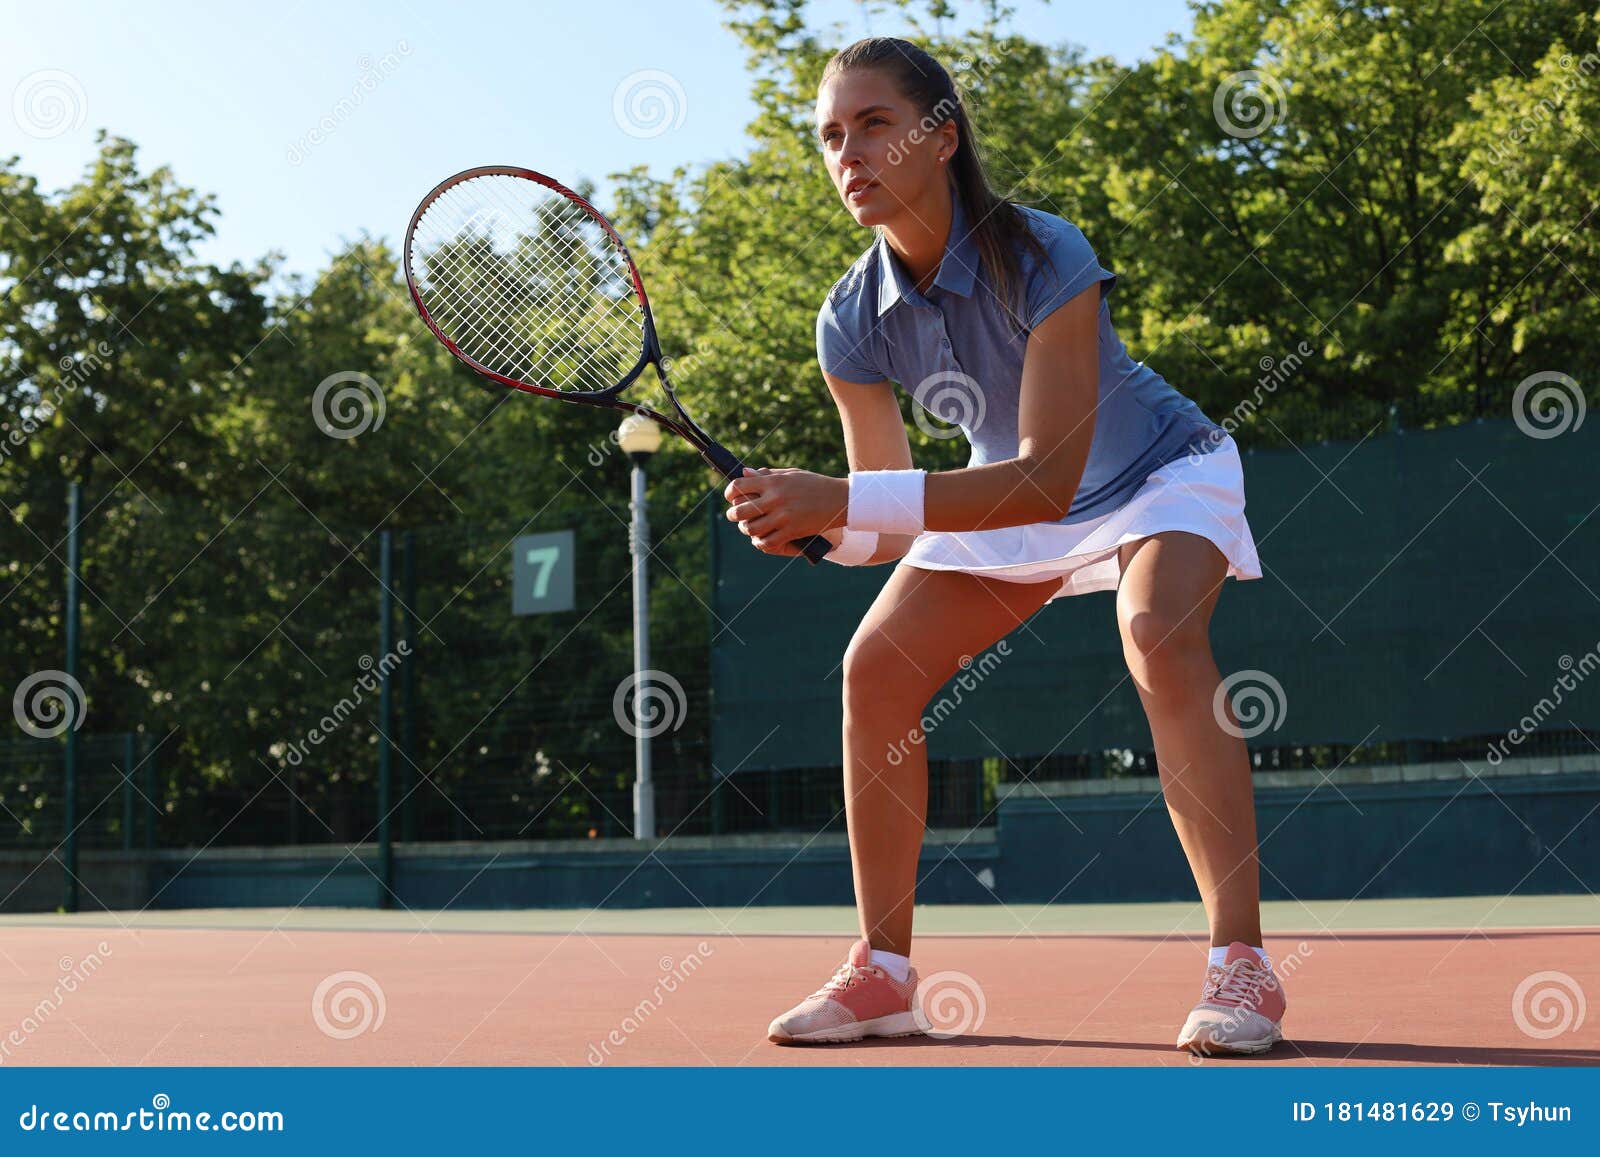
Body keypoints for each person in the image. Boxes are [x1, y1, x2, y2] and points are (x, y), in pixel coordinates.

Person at [721, 36, 1286, 1056]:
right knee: (876, 666)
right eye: (830, 136)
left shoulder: (1043, 252)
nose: (849, 153)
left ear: (940, 137)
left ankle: (1239, 963)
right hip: (1004, 495)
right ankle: (880, 974)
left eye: (875, 125)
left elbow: (1048, 480)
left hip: (1160, 470)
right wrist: (816, 528)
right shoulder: (848, 318)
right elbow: (882, 520)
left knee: (1155, 630)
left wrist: (837, 498)